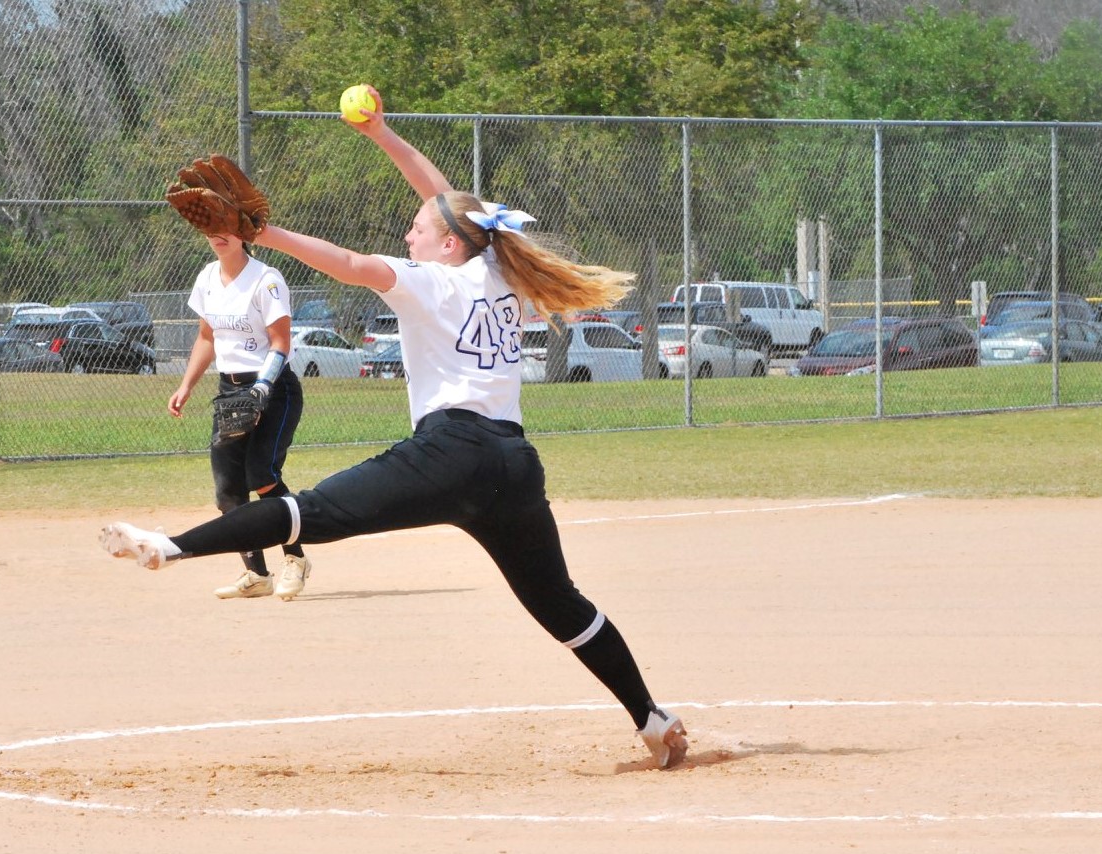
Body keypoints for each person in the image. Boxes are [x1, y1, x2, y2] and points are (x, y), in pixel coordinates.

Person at [104, 86, 687, 769]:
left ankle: (169, 548)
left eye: (417, 228)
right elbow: (447, 197)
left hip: (450, 453)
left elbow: (351, 264)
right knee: (559, 604)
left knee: (305, 513)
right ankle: (650, 717)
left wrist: (264, 235)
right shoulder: (493, 265)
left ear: (444, 243)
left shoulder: (428, 280)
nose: (409, 232)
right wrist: (380, 133)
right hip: (512, 462)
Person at [170, 232, 310, 600]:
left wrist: (263, 385)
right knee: (229, 489)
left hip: (274, 388)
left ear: (244, 232)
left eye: (226, 225)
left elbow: (281, 341)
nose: (217, 234)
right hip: (230, 392)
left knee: (262, 475)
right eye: (209, 226)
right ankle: (257, 574)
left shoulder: (266, 279)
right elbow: (207, 337)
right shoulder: (207, 278)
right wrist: (186, 386)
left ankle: (296, 559)